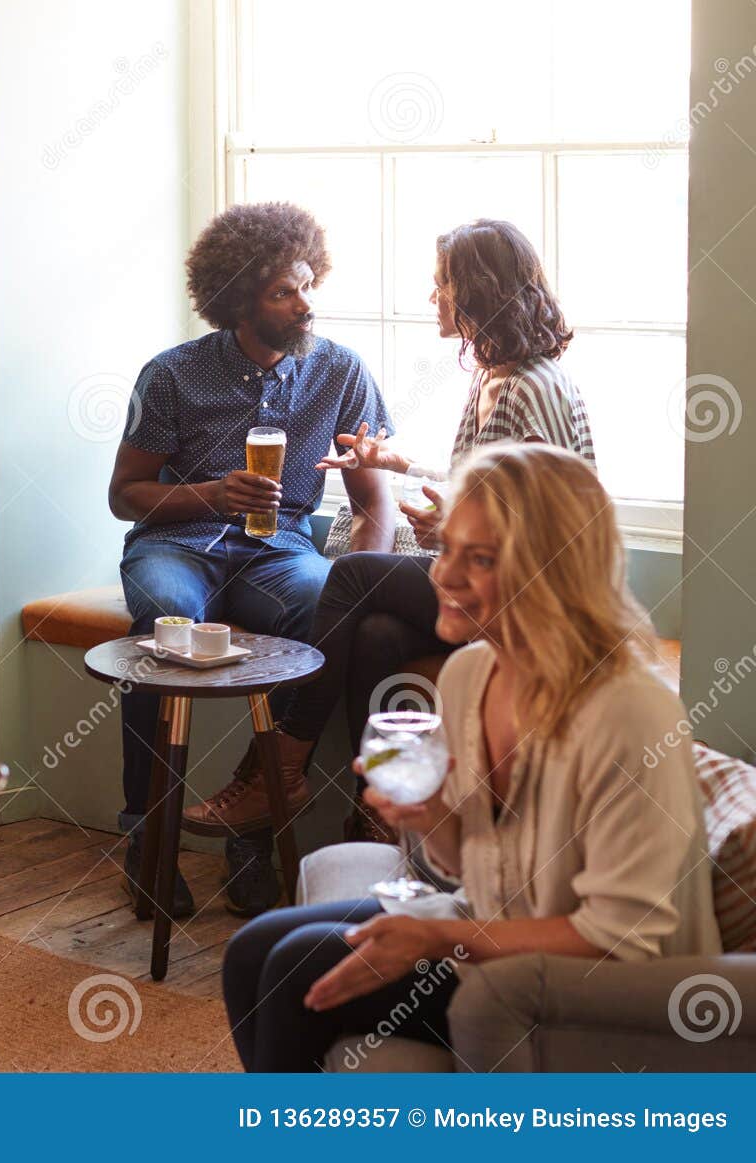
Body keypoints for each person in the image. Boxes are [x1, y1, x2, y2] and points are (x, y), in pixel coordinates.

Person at [221, 444, 719, 1072]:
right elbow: (468, 864)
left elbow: (623, 935)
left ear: (553, 570)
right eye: (447, 548)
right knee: (251, 951)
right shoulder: (472, 674)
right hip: (494, 928)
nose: (444, 577)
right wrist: (430, 817)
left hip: (604, 988)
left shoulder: (630, 712)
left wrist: (437, 936)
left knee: (294, 975)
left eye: (479, 559)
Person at [186, 218, 595, 850]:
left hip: (535, 599)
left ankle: (276, 769)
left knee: (350, 575)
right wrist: (396, 465)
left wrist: (454, 528)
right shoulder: (492, 376)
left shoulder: (530, 386)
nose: (434, 298)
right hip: (492, 585)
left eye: (444, 284)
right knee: (376, 634)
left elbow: (559, 526)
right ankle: (377, 817)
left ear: (480, 291)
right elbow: (489, 486)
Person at [110, 202, 395, 916]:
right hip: (177, 544)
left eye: (307, 286)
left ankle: (251, 824)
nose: (305, 306)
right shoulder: (173, 374)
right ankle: (148, 837)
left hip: (281, 549)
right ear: (239, 301)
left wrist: (360, 579)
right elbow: (125, 495)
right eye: (283, 292)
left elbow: (372, 502)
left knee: (326, 607)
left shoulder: (340, 371)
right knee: (167, 624)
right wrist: (211, 492)